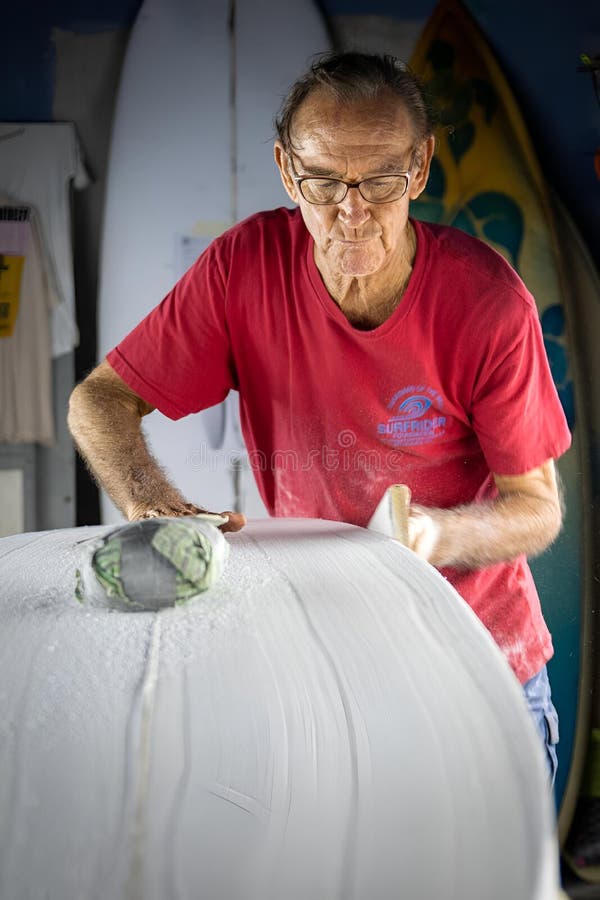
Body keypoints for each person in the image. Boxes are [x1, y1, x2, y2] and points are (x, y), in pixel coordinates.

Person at [68, 52, 571, 782]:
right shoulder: (244, 270)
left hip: (481, 661)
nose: (352, 210)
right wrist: (150, 499)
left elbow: (538, 509)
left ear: (421, 168)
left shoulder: (488, 304)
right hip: (329, 657)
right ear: (284, 169)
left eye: (380, 180)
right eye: (324, 180)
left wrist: (440, 534)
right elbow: (99, 398)